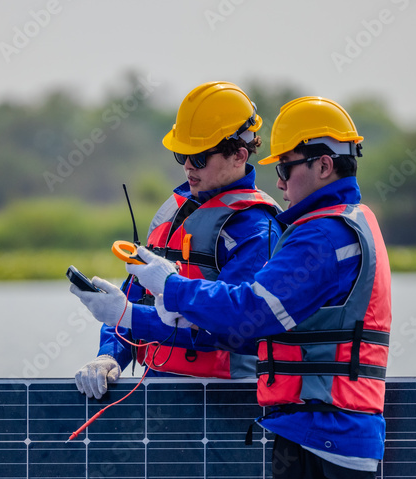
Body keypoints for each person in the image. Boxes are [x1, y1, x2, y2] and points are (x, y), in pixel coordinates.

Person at [126, 96, 391, 479]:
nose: (281, 181)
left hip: (320, 434)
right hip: (329, 432)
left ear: (323, 164)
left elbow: (249, 314)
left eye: (286, 167)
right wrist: (127, 323)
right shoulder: (346, 223)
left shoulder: (325, 236)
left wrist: (166, 288)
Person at [70, 81, 281, 398]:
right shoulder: (170, 213)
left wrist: (127, 315)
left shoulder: (256, 229)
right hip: (158, 393)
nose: (186, 166)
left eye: (198, 158)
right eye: (181, 154)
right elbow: (133, 298)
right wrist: (110, 354)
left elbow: (233, 328)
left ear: (239, 155)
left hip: (228, 401)